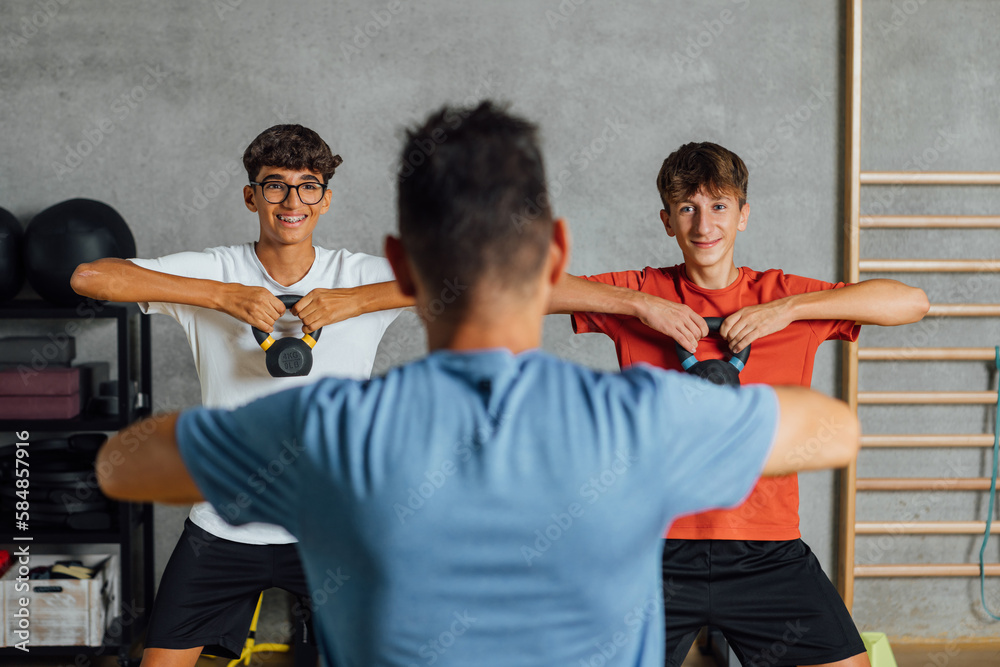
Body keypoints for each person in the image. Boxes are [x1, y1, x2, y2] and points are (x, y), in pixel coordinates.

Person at [95, 102, 861, 667]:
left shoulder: (333, 427)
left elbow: (124, 464)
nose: (290, 202)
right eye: (276, 189)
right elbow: (832, 430)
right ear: (557, 253)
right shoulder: (639, 420)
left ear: (401, 259)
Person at [549, 141, 930, 667]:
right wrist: (638, 306)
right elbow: (519, 290)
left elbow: (912, 302)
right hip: (651, 549)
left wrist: (788, 311)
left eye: (719, 206)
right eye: (688, 208)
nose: (704, 225)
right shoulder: (642, 292)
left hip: (765, 551)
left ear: (743, 215)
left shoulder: (784, 297)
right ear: (667, 221)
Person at [72, 124, 410, 666]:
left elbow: (481, 280)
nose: (292, 200)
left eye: (308, 185)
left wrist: (358, 302)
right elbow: (90, 276)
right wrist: (221, 296)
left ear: (326, 198)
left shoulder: (358, 275)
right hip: (222, 526)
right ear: (251, 195)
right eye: (275, 185)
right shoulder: (217, 272)